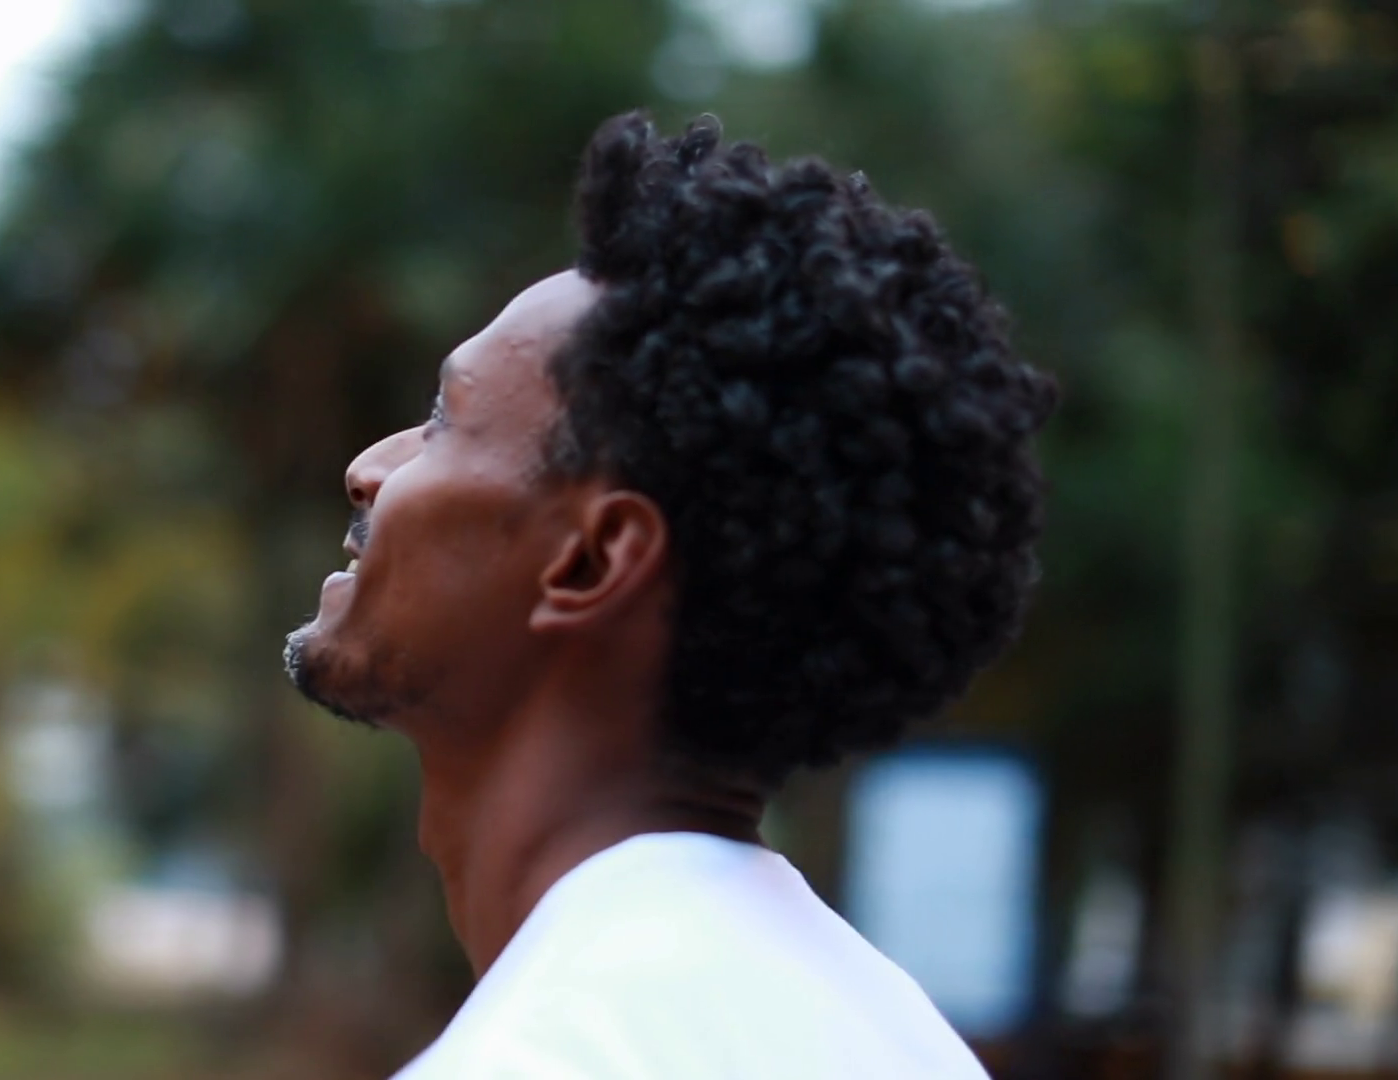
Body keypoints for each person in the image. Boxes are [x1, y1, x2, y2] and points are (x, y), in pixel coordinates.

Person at [283, 111, 1057, 1079]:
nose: (369, 469)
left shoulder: (544, 1058)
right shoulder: (905, 1040)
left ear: (593, 562)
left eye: (445, 420)